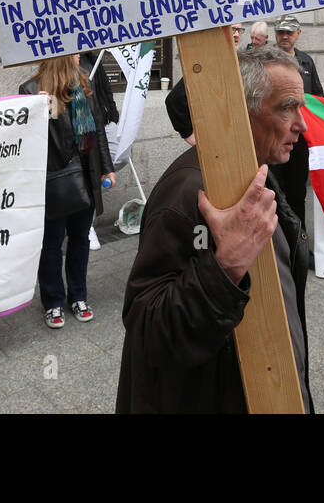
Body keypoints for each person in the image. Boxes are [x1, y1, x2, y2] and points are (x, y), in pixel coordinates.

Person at [116, 46, 313, 413]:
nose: (302, 124)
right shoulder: (188, 192)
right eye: (287, 107)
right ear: (241, 109)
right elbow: (148, 333)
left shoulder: (255, 173)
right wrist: (225, 267)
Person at [20, 53, 115, 328]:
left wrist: (107, 168)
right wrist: (34, 112)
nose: (79, 55)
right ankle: (52, 302)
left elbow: (98, 129)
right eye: (73, 51)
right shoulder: (30, 90)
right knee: (51, 243)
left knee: (80, 239)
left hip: (86, 175)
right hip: (54, 179)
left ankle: (78, 296)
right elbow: (29, 142)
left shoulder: (86, 81)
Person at [165, 24, 243, 144]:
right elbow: (175, 100)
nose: (236, 34)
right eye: (232, 29)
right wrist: (189, 135)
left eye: (239, 30)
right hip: (216, 140)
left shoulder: (235, 58)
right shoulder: (211, 59)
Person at [274, 15, 324, 98]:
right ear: (275, 33)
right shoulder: (266, 60)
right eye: (281, 32)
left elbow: (318, 95)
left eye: (289, 32)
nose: (285, 36)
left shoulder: (306, 61)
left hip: (302, 110)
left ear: (298, 33)